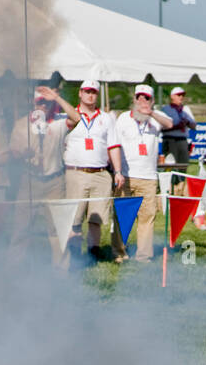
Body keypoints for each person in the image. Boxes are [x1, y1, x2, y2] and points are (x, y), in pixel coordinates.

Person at [8, 85, 70, 267]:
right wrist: (21, 155)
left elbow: (77, 117)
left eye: (47, 102)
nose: (43, 106)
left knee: (58, 228)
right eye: (40, 102)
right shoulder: (21, 124)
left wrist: (57, 98)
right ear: (34, 103)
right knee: (21, 227)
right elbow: (12, 153)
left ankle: (61, 270)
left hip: (55, 181)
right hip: (30, 181)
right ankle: (14, 268)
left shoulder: (59, 121)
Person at [61, 80, 123, 261]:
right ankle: (73, 254)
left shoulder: (106, 118)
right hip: (75, 173)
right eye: (87, 91)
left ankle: (93, 252)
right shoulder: (69, 117)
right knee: (74, 218)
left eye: (94, 92)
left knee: (97, 217)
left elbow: (113, 146)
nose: (90, 95)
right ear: (80, 93)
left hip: (100, 173)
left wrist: (117, 171)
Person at [111, 84, 173, 262]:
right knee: (122, 216)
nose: (142, 101)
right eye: (139, 97)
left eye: (146, 98)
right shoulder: (123, 118)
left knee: (147, 217)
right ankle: (119, 252)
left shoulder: (156, 120)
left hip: (149, 178)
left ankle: (143, 255)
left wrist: (151, 113)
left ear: (152, 101)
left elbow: (169, 123)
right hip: (126, 175)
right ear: (134, 99)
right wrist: (117, 171)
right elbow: (114, 144)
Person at [160, 86, 197, 194]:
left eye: (182, 95)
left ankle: (181, 187)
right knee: (171, 164)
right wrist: (177, 126)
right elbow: (163, 126)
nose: (181, 97)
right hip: (170, 139)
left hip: (182, 139)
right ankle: (171, 188)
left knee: (183, 164)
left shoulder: (186, 109)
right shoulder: (166, 109)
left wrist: (188, 123)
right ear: (172, 96)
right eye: (178, 95)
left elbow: (194, 125)